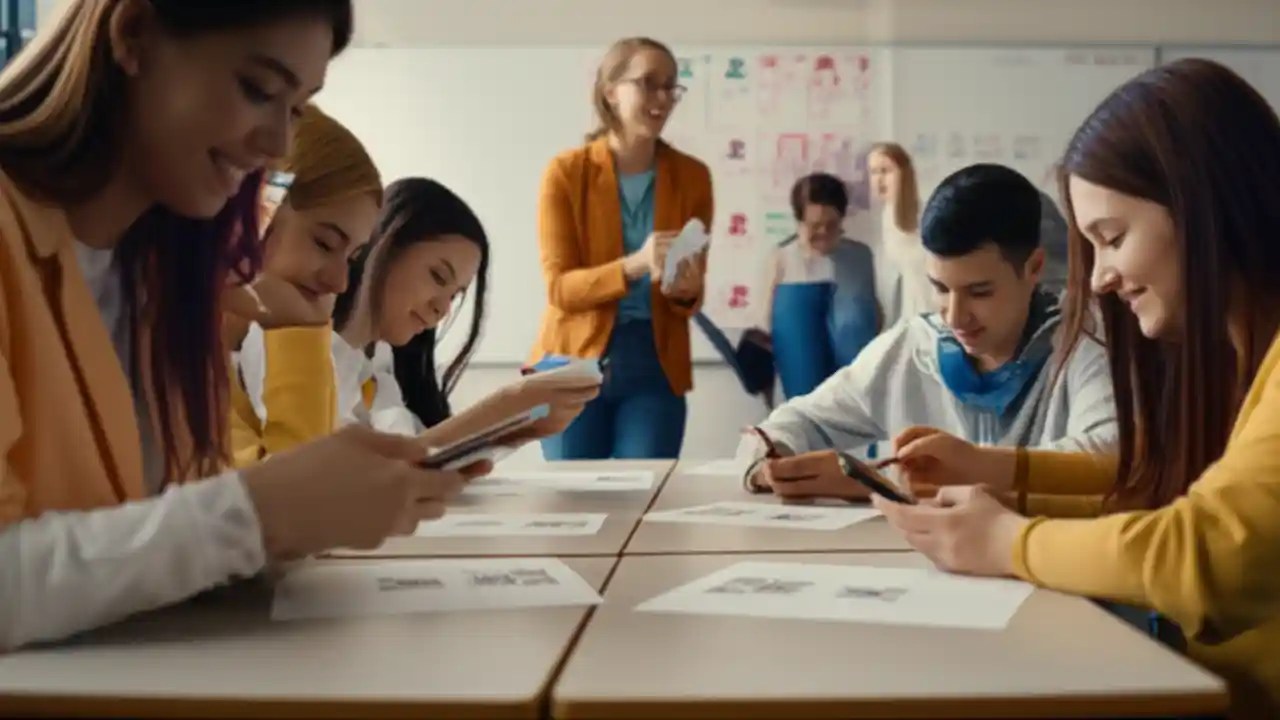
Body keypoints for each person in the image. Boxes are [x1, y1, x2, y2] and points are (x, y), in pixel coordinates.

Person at [0, 0, 468, 651]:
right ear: (133, 35)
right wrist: (256, 516)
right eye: (257, 89)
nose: (278, 144)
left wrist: (292, 515)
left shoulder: (158, 277)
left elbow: (158, 549)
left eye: (297, 109)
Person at [874, 59, 1280, 718]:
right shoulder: (1232, 353)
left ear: (1204, 204)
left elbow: (1201, 553)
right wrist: (995, 474)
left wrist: (1007, 542)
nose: (1099, 280)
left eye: (1113, 239)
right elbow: (1156, 483)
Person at [740, 163, 1116, 501]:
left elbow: (1110, 455)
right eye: (940, 288)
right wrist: (770, 465)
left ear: (1034, 269)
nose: (955, 317)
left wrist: (886, 480)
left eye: (979, 292)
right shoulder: (911, 348)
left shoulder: (1085, 343)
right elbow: (790, 424)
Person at [236, 174, 599, 462]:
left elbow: (415, 458)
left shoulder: (377, 362)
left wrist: (518, 427)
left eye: (455, 295)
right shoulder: (293, 346)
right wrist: (505, 405)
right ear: (384, 248)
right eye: (438, 278)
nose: (443, 308)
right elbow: (351, 478)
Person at [532, 36, 713, 460]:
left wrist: (685, 288)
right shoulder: (566, 172)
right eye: (649, 83)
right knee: (572, 506)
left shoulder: (693, 177)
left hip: (655, 360)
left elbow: (691, 291)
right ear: (611, 91)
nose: (663, 97)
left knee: (645, 499)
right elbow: (560, 289)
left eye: (671, 86)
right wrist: (636, 264)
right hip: (570, 359)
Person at [757, 173, 878, 399]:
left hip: (854, 385)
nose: (823, 232)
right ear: (799, 221)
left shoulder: (860, 257)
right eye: (815, 225)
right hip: (801, 382)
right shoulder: (781, 258)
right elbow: (765, 328)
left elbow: (874, 319)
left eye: (831, 225)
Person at [867, 142, 931, 325]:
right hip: (908, 308)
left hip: (929, 304)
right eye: (873, 172)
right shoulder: (887, 215)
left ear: (904, 173)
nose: (879, 180)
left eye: (885, 171)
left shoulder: (924, 215)